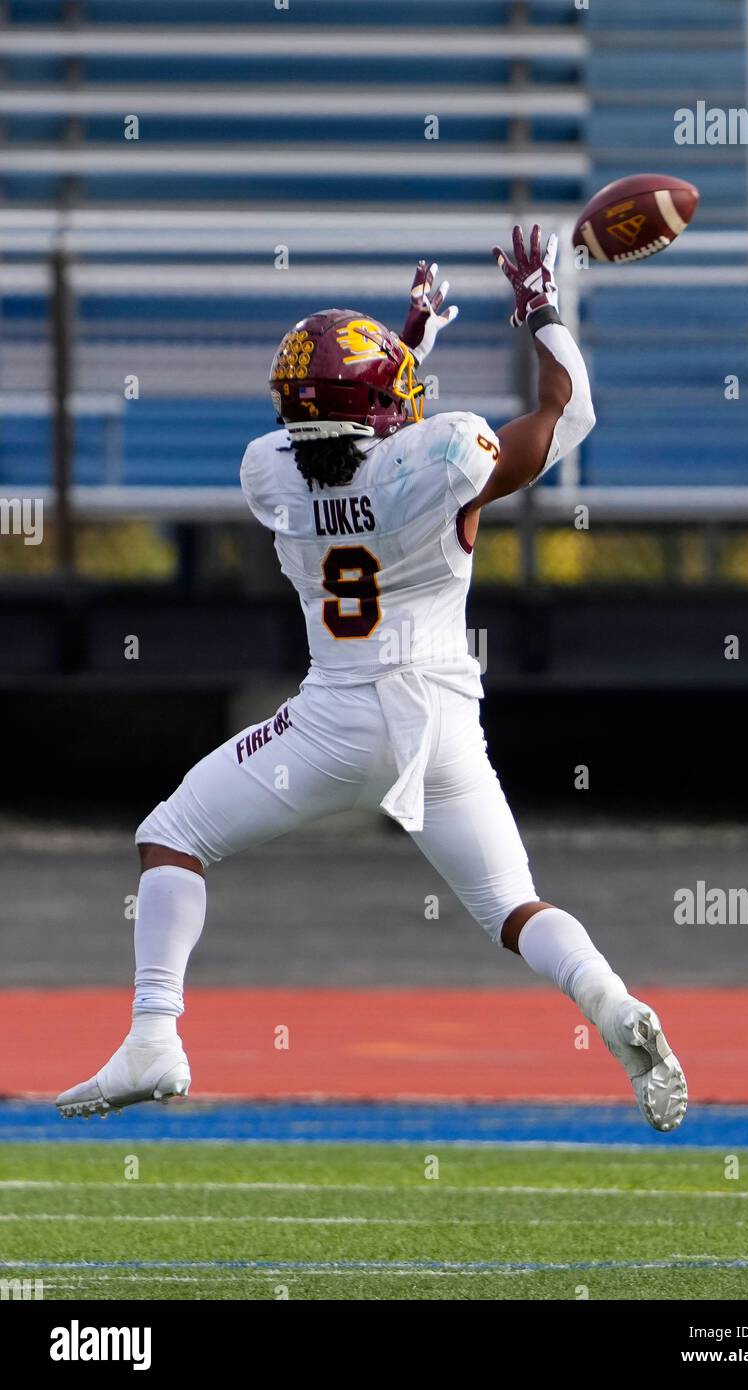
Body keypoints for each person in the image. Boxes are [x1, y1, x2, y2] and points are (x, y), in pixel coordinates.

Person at [57, 226, 687, 1133]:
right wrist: (540, 305)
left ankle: (156, 1035)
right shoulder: (447, 456)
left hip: (332, 722)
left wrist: (404, 348)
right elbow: (567, 410)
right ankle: (612, 1002)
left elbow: (345, 447)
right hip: (442, 720)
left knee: (172, 838)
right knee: (513, 906)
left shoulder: (270, 473)